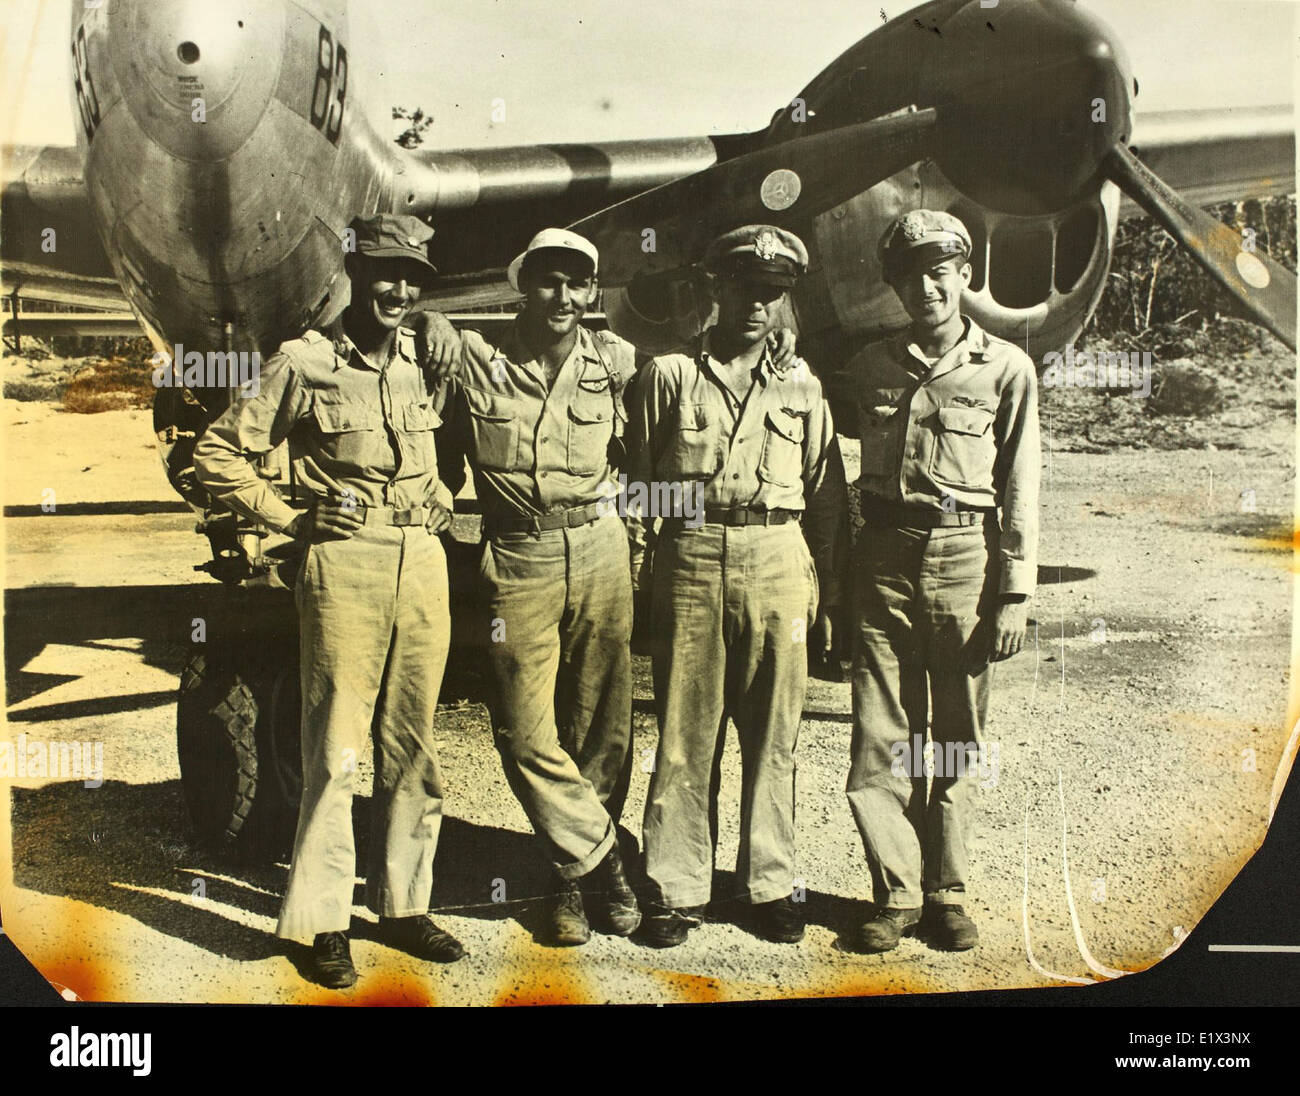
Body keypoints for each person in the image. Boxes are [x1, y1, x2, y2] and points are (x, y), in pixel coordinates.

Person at [193, 213, 465, 988]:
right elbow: (217, 452)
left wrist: (440, 494)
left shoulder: (421, 357)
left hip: (422, 562)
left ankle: (405, 905)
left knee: (413, 742)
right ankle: (321, 922)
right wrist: (287, 517)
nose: (400, 289)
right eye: (385, 271)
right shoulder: (303, 363)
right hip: (343, 562)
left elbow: (429, 454)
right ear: (352, 269)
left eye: (414, 277)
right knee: (339, 745)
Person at [626, 225, 846, 948]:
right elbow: (639, 486)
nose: (757, 305)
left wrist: (829, 594)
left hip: (780, 554)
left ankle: (769, 884)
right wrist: (639, 579)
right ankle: (675, 886)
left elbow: (825, 495)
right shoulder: (668, 377)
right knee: (686, 732)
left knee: (774, 732)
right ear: (715, 289)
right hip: (691, 552)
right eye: (745, 288)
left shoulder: (803, 384)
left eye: (771, 293)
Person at [433, 228, 642, 946]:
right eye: (548, 281)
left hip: (602, 547)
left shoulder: (617, 362)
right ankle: (604, 859)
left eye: (577, 284)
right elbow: (441, 468)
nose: (563, 297)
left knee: (602, 722)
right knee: (524, 729)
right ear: (523, 285)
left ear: (592, 292)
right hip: (516, 554)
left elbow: (647, 452)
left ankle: (564, 885)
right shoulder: (475, 364)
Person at [839, 209, 1040, 953]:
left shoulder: (1006, 368)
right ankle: (894, 892)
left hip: (967, 559)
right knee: (883, 732)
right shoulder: (869, 367)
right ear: (892, 285)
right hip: (884, 558)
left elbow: (1022, 483)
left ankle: (946, 891)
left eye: (939, 269)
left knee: (956, 734)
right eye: (910, 274)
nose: (926, 286)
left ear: (964, 274)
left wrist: (1015, 590)